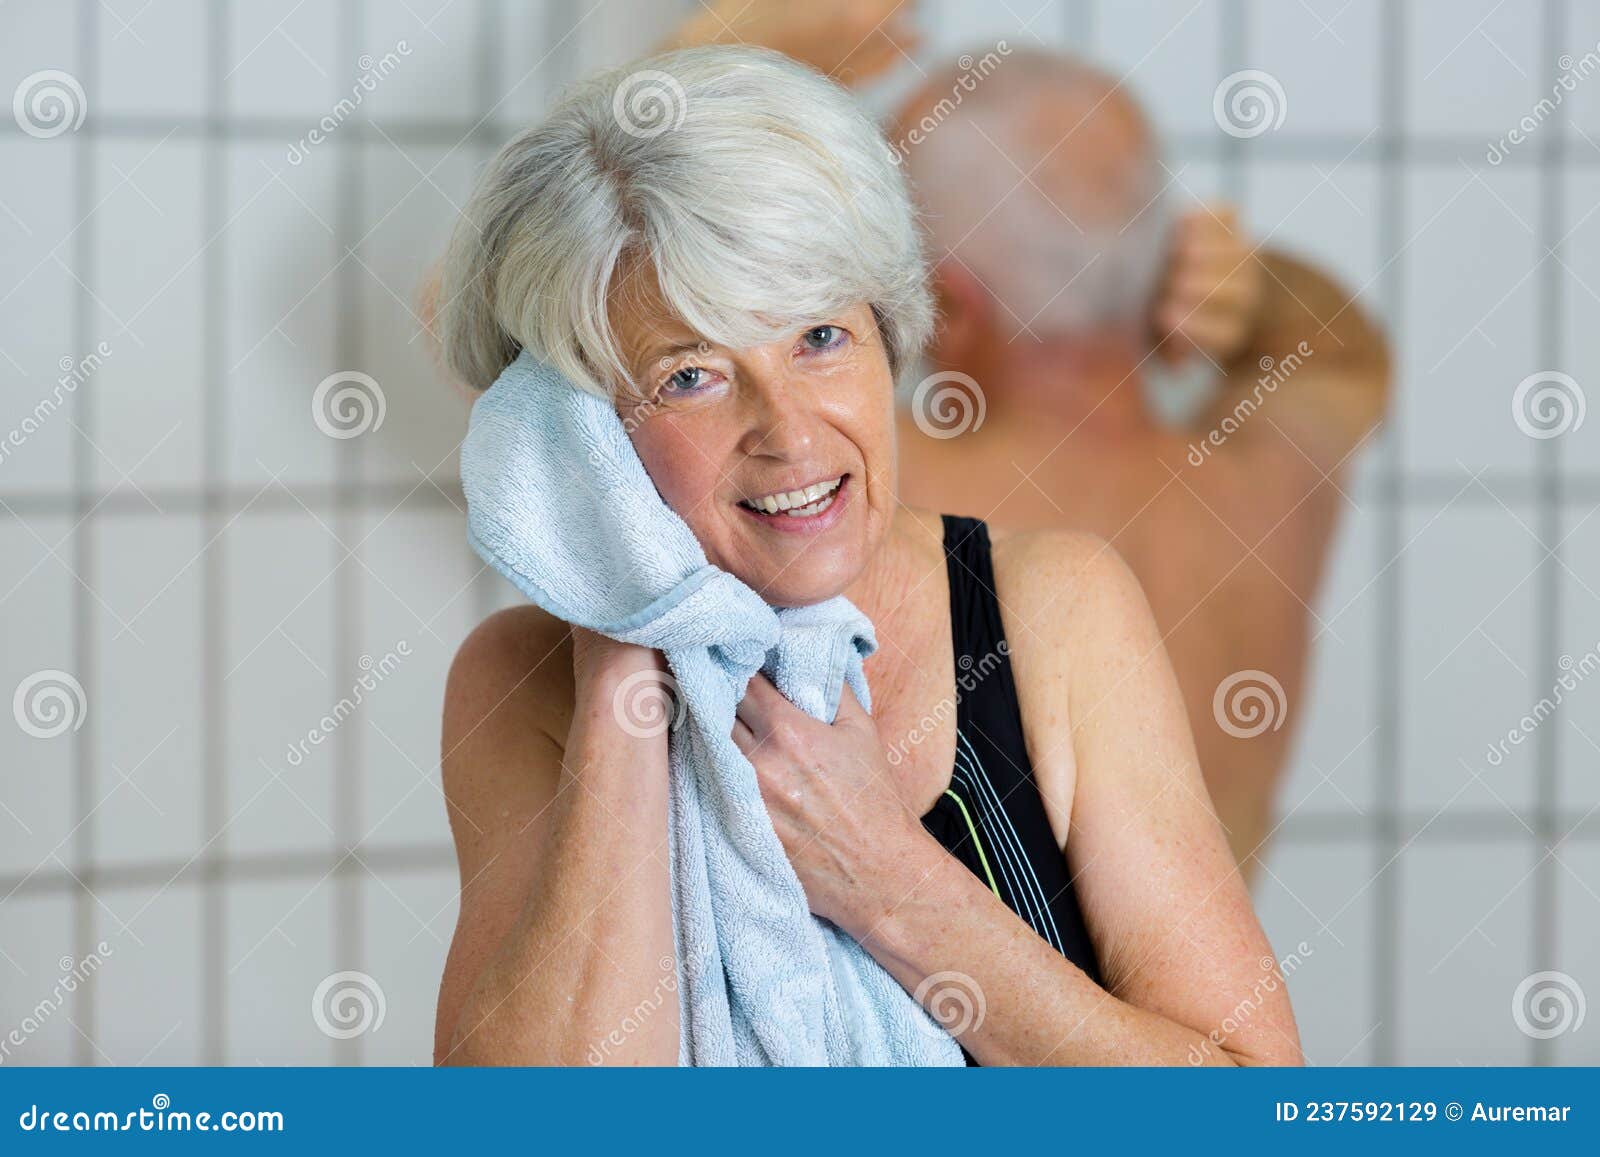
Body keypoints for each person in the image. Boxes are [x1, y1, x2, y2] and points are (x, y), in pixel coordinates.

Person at [429, 46, 1299, 1067]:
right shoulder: (520, 688)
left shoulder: (1048, 611)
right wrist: (628, 637)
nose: (791, 436)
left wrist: (887, 879)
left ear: (894, 333)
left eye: (819, 338)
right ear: (576, 429)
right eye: (693, 373)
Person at [891, 50, 1392, 875]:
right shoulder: (1259, 487)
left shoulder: (881, 486)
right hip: (1208, 1008)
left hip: (962, 1007)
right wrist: (1256, 291)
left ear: (948, 307)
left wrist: (719, 44)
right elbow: (1347, 356)